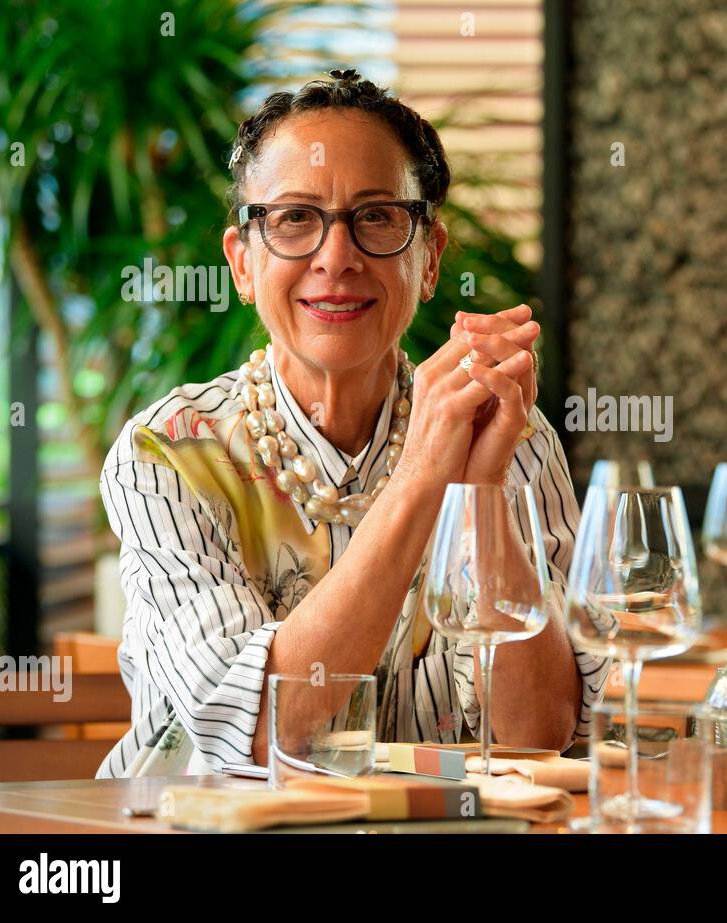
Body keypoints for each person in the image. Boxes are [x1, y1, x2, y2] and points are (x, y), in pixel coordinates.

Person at [96, 69, 610, 777]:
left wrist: (481, 488)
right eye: (294, 219)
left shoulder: (511, 436)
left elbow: (540, 733)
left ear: (429, 257)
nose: (336, 257)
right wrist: (426, 474)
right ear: (243, 263)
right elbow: (253, 730)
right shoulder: (168, 452)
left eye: (376, 216)